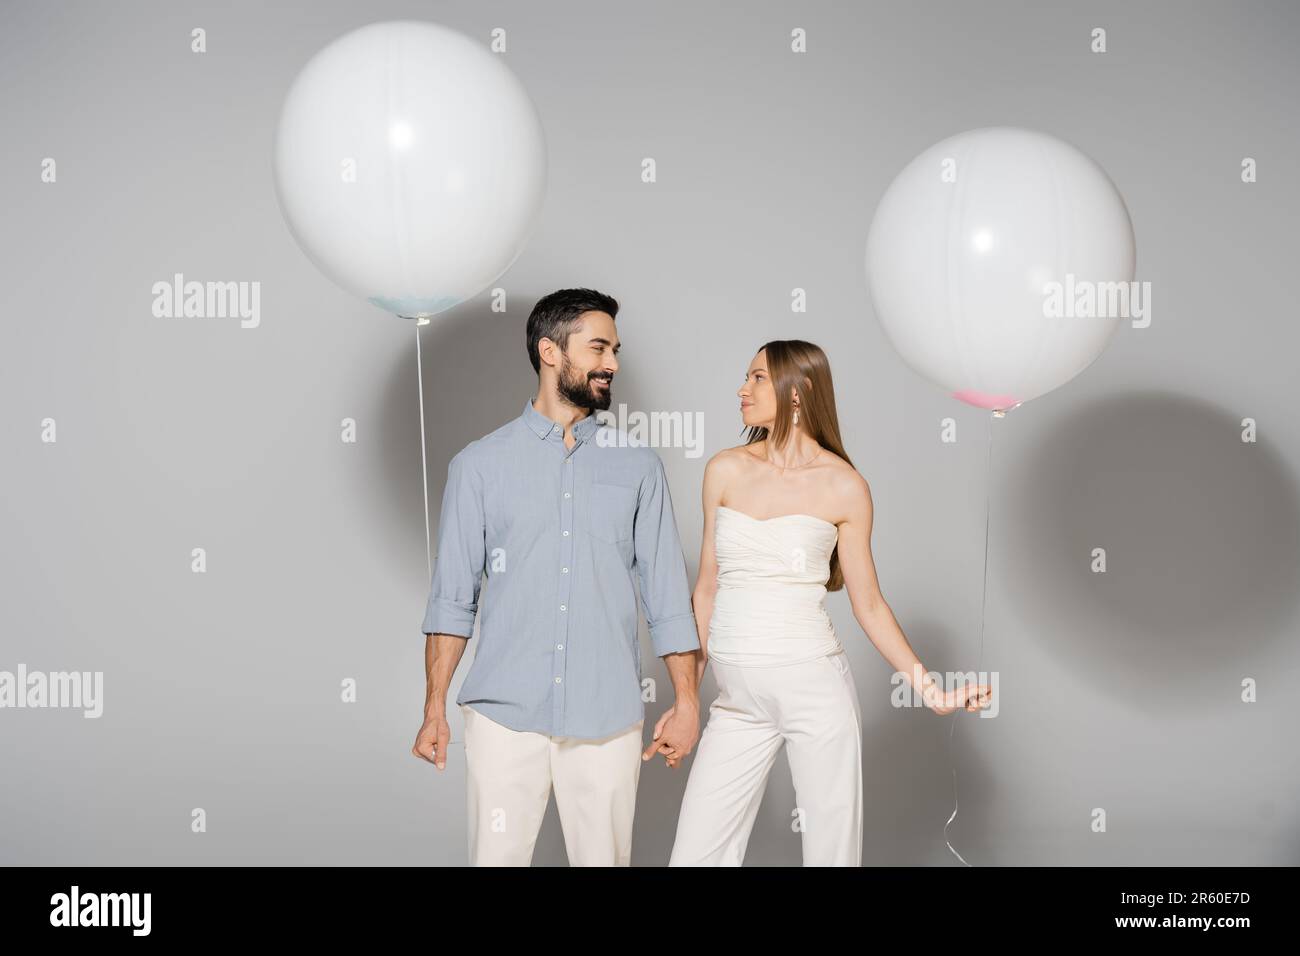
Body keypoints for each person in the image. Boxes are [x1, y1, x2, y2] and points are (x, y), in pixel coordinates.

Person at [666, 340, 992, 866]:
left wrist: (931, 692)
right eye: (745, 378)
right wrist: (687, 699)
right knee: (694, 856)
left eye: (756, 378)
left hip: (813, 691)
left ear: (799, 392)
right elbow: (706, 589)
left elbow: (869, 604)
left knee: (830, 852)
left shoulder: (845, 486)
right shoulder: (723, 470)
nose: (741, 389)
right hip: (737, 701)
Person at [410, 288, 702, 866]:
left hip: (608, 715)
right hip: (503, 715)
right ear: (550, 351)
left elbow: (667, 597)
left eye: (615, 349)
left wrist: (688, 700)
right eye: (598, 348)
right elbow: (452, 600)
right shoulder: (478, 466)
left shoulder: (639, 467)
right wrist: (434, 706)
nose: (612, 363)